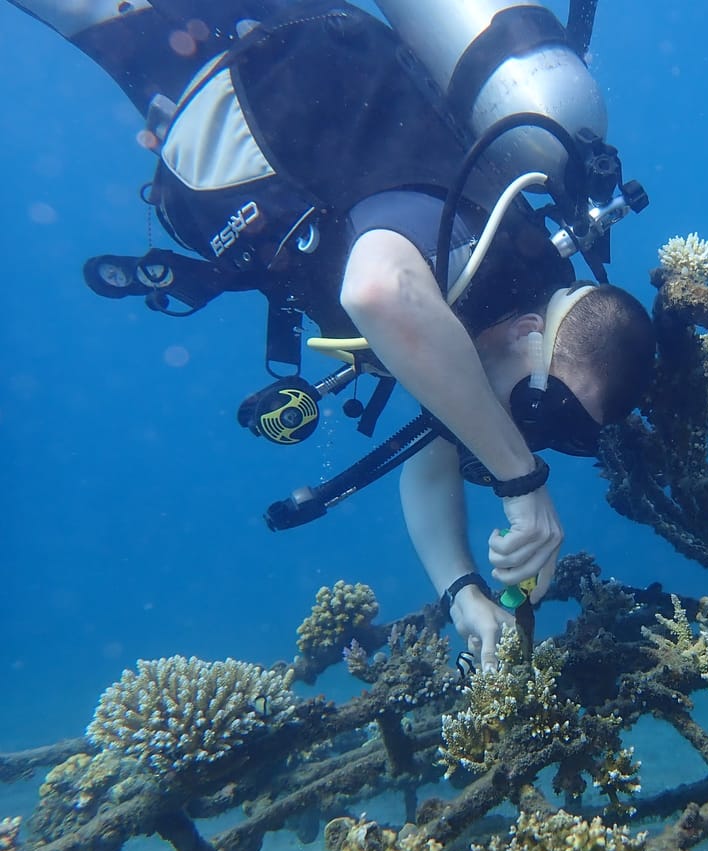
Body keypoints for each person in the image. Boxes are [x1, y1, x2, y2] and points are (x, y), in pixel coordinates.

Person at [10, 0, 656, 670]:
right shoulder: (476, 248)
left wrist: (462, 590)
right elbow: (375, 291)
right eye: (534, 409)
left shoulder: (478, 332)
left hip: (186, 68)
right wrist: (521, 480)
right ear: (529, 331)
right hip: (202, 32)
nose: (522, 430)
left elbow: (429, 468)